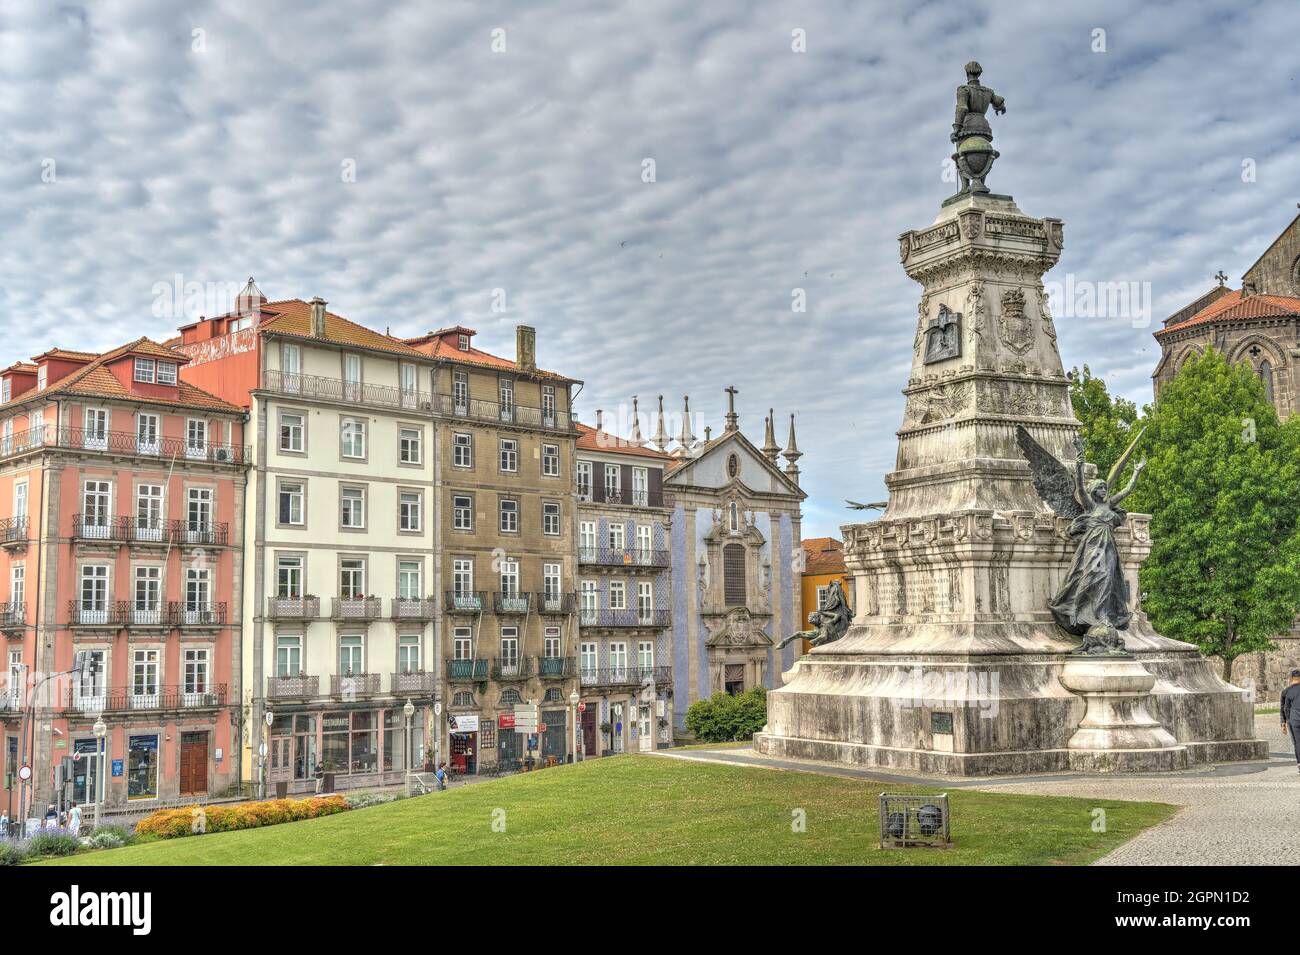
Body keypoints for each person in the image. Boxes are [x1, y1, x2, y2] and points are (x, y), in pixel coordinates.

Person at [1281, 669, 1300, 773]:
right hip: (1293, 720)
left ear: (1291, 678)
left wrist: (1284, 722)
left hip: (1294, 720)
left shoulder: (1286, 691)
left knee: (1298, 743)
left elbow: (1284, 708)